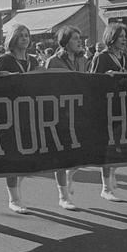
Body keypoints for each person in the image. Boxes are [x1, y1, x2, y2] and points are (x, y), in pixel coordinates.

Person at [0, 24, 40, 213]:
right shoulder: (3, 59)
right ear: (12, 38)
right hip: (9, 114)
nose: (24, 38)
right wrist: (0, 77)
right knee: (13, 157)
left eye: (27, 35)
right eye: (20, 35)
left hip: (29, 113)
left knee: (26, 158)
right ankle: (14, 199)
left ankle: (15, 191)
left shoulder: (34, 61)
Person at [46, 25, 90, 209]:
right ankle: (63, 196)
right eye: (74, 38)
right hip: (60, 114)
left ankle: (69, 177)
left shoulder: (84, 60)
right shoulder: (53, 62)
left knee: (81, 154)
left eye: (80, 38)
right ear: (65, 42)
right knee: (62, 156)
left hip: (79, 112)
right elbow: (45, 88)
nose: (79, 41)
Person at [90, 23, 127, 200]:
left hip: (120, 105)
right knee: (107, 146)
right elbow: (92, 82)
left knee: (118, 145)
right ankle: (105, 188)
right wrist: (106, 78)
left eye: (125, 36)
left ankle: (111, 175)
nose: (124, 40)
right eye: (121, 36)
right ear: (112, 37)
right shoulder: (101, 57)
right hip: (104, 107)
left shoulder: (125, 57)